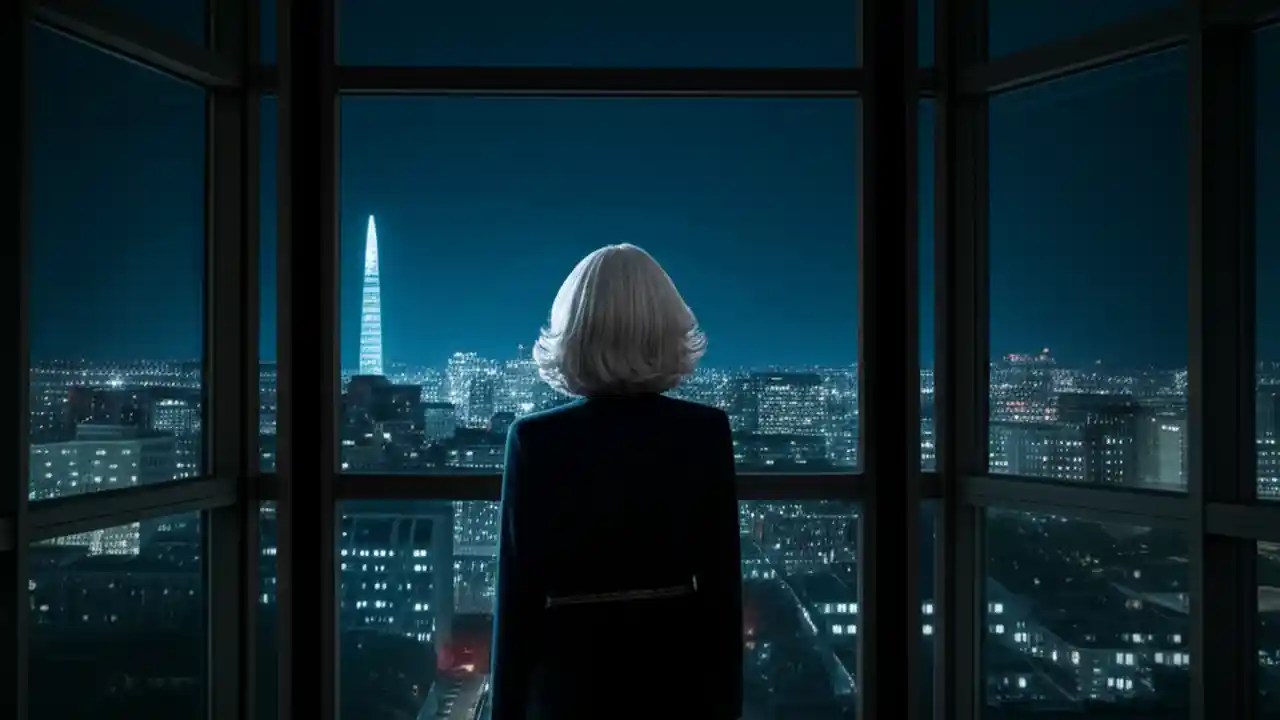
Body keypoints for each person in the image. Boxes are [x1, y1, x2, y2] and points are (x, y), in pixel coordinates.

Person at [488, 244, 742, 720]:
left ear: (574, 332)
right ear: (666, 327)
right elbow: (722, 596)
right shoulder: (705, 434)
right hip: (675, 681)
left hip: (567, 685)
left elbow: (516, 607)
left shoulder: (534, 441)